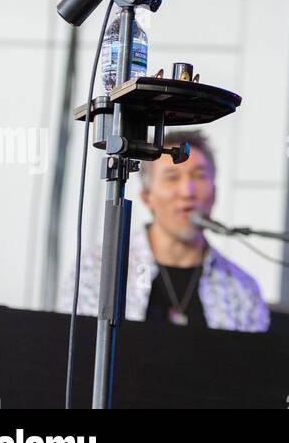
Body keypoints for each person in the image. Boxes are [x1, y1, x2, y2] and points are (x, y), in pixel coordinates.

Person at [58, 130, 268, 331]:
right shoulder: (100, 270)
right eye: (172, 177)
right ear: (146, 197)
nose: (188, 191)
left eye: (199, 176)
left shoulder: (242, 289)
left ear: (214, 193)